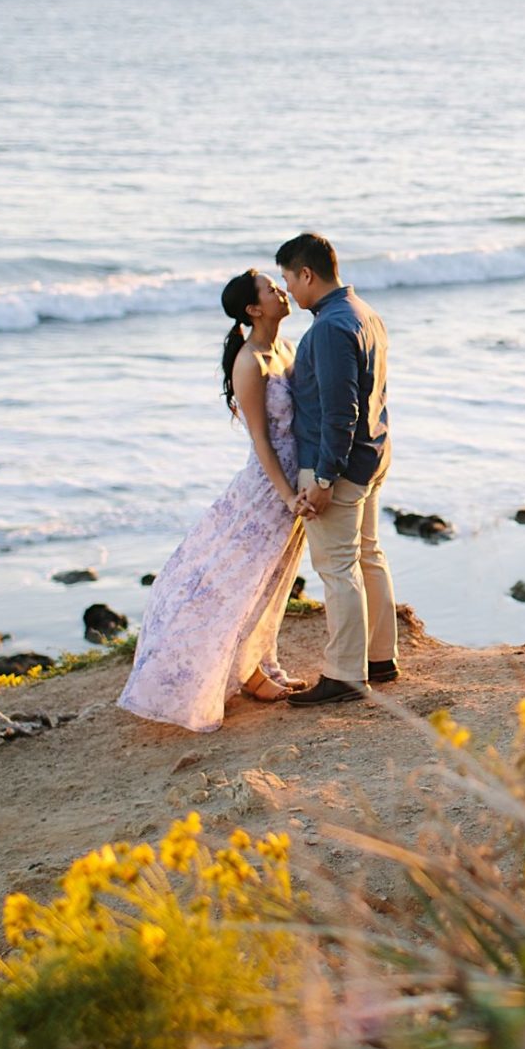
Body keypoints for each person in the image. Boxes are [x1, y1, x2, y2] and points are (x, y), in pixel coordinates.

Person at [117, 269, 310, 733]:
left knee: (272, 583)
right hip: (267, 489)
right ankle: (222, 675)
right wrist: (286, 494)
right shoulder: (250, 361)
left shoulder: (284, 348)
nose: (280, 290)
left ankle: (256, 669)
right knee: (234, 580)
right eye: (270, 288)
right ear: (253, 309)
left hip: (296, 483)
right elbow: (260, 441)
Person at [275, 233, 398, 705]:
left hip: (340, 464)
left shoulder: (328, 328)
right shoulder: (365, 312)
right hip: (374, 453)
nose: (288, 290)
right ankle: (380, 658)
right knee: (368, 554)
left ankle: (346, 674)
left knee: (338, 566)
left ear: (306, 273)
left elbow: (339, 411)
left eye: (289, 278)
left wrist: (324, 478)